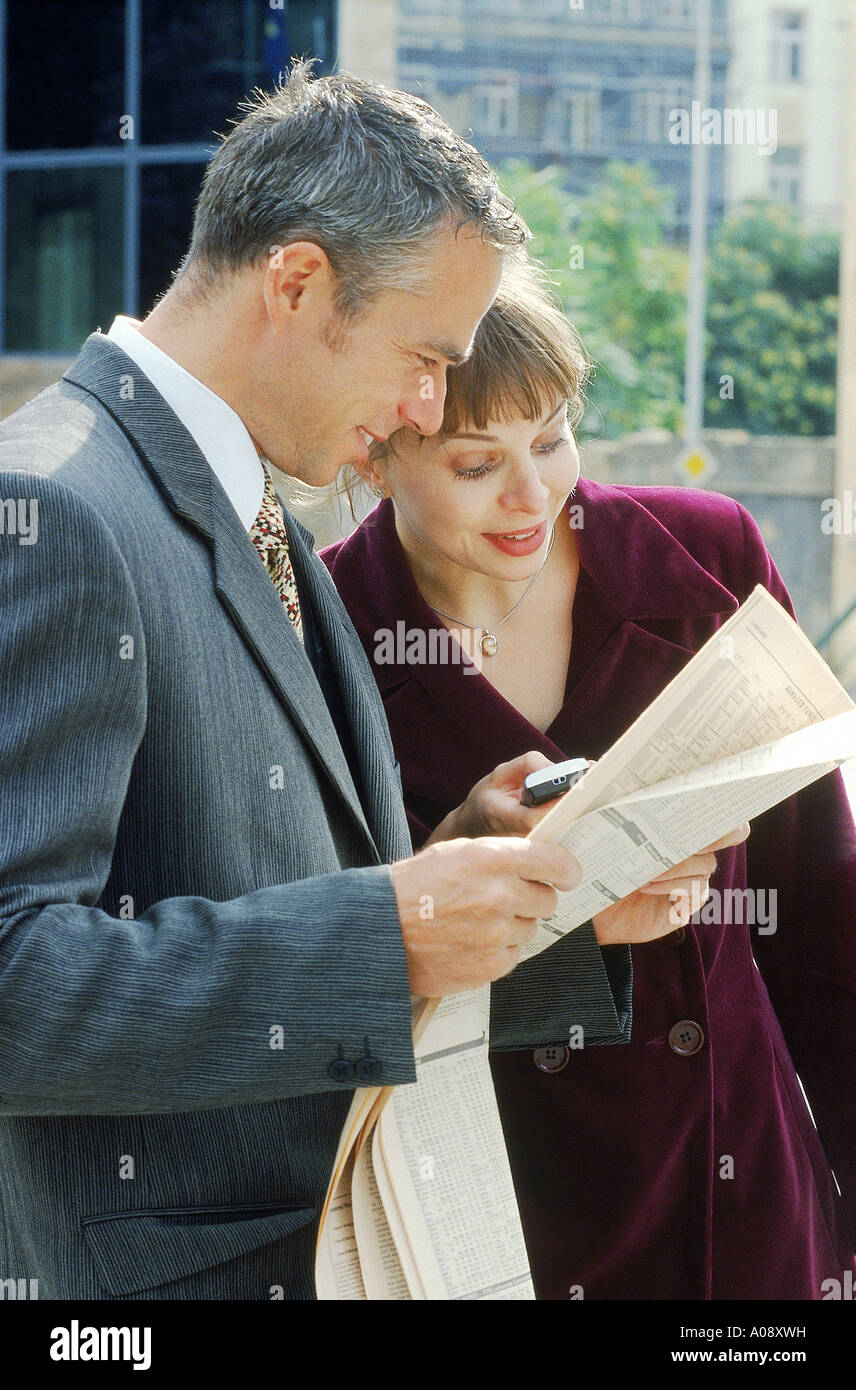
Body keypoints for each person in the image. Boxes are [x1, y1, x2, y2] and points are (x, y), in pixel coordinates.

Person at [0, 63, 621, 1302]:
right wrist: (392, 928)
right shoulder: (56, 505)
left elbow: (267, 899)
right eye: (423, 356)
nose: (424, 407)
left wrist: (524, 896)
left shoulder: (251, 510)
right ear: (294, 280)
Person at [320, 264, 856, 1300]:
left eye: (552, 439)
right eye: (478, 464)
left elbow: (820, 903)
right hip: (494, 1209)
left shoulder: (707, 554)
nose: (533, 498)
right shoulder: (319, 630)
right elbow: (336, 957)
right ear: (377, 456)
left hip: (735, 1197)